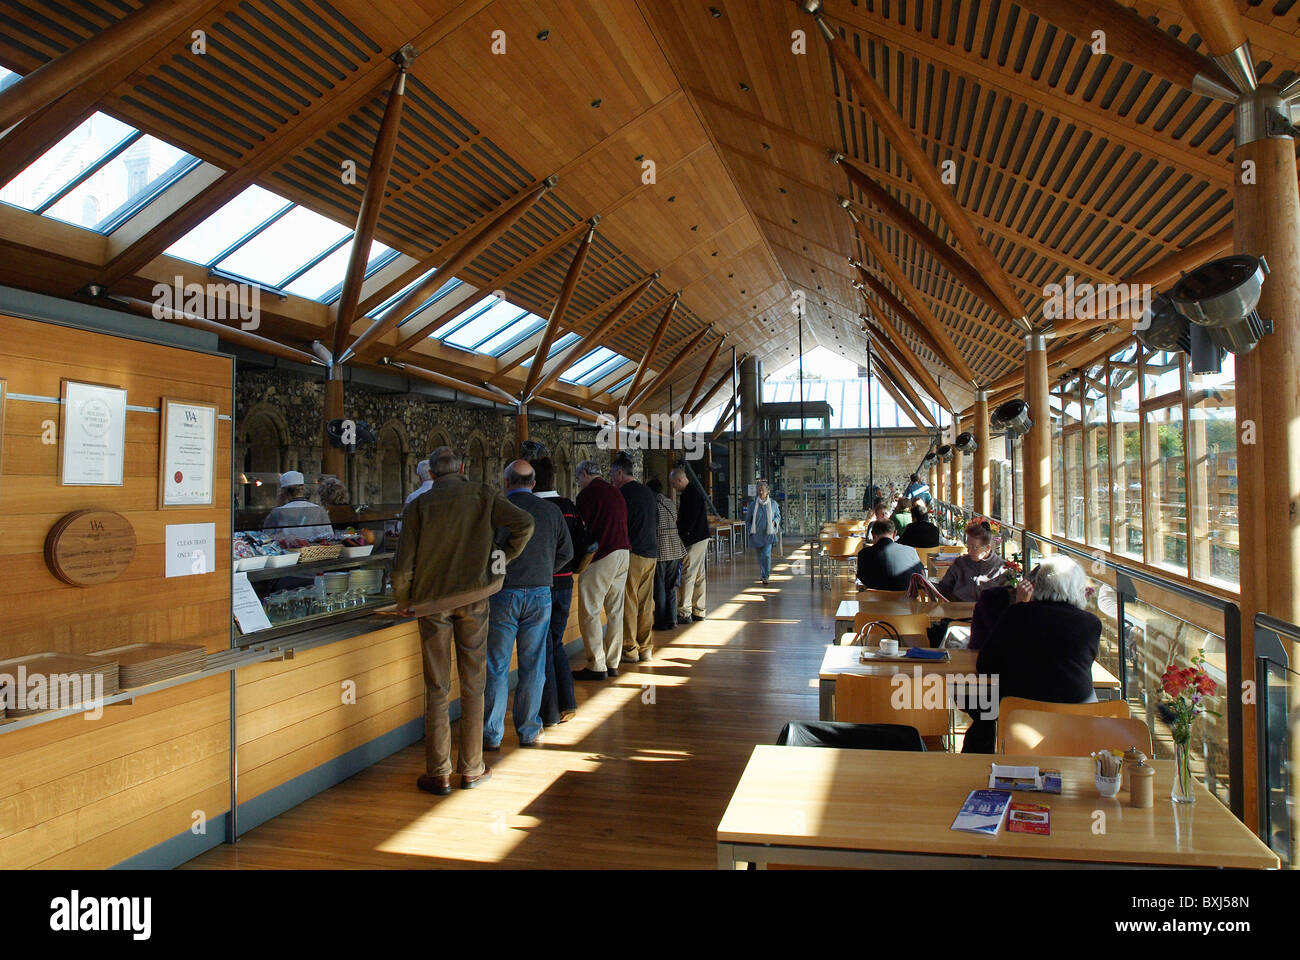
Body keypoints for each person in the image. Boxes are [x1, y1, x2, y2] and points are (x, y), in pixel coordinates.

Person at [392, 446, 534, 795]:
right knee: (474, 683)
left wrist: (403, 599)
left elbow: (403, 563)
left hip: (431, 604)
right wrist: (499, 559)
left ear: (431, 474)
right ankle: (472, 768)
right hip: (474, 598)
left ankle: (438, 773)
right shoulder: (484, 494)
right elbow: (524, 523)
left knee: (437, 687)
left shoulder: (418, 507)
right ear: (464, 467)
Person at [964, 556, 1102, 754]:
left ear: (1037, 585)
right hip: (1075, 718)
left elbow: (985, 666)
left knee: (983, 712)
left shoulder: (1015, 615)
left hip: (1018, 716)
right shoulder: (1091, 624)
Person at [483, 461, 572, 751]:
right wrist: (545, 571)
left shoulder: (496, 512)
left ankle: (491, 735)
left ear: (506, 481)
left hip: (502, 594)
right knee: (533, 665)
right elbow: (567, 552)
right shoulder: (552, 511)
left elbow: (484, 553)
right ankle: (529, 731)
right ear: (533, 483)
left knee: (496, 665)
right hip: (540, 594)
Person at [530, 457, 585, 726]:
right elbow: (577, 545)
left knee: (544, 647)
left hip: (542, 585)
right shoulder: (568, 507)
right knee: (556, 644)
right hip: (565, 583)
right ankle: (567, 703)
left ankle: (550, 711)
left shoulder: (534, 508)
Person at [573, 460, 630, 680]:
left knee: (590, 610)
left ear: (585, 473)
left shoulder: (588, 494)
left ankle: (596, 665)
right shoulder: (615, 491)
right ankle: (613, 662)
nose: (579, 483)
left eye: (579, 479)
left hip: (603, 554)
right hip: (623, 552)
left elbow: (580, 528)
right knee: (615, 610)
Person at [610, 454, 658, 664]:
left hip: (634, 553)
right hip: (651, 553)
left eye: (612, 474)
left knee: (629, 601)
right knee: (646, 602)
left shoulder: (622, 495)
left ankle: (630, 649)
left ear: (620, 473)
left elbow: (620, 525)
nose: (612, 479)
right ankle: (646, 647)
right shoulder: (647, 492)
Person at [671, 466, 710, 622]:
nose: (673, 487)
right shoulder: (694, 491)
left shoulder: (689, 494)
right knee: (699, 575)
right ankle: (699, 610)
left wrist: (682, 534)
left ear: (680, 480)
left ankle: (684, 611)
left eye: (674, 484)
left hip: (694, 539)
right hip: (701, 537)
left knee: (688, 574)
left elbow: (689, 520)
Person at [646, 477, 685, 630]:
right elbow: (675, 519)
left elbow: (652, 524)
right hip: (675, 546)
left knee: (659, 586)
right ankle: (673, 619)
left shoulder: (651, 504)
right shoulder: (669, 502)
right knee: (670, 586)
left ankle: (661, 622)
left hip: (660, 546)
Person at [936, 521, 1006, 601]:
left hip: (989, 612)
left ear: (987, 548)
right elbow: (943, 588)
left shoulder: (1001, 567)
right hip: (960, 610)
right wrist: (926, 585)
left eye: (974, 547)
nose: (969, 551)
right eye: (968, 546)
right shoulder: (960, 563)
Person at [263, 471, 335, 542]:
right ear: (303, 488)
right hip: (315, 551)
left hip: (289, 553)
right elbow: (330, 536)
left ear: (283, 492)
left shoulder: (278, 511)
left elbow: (266, 536)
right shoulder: (319, 509)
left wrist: (278, 504)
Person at [855, 519, 924, 590]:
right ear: (894, 534)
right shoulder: (910, 550)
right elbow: (921, 574)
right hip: (907, 598)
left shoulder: (864, 554)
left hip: (876, 598)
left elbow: (862, 578)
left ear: (872, 535)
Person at [744, 480, 781, 584]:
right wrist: (750, 529)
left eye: (763, 490)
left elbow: (778, 516)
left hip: (768, 535)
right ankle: (763, 572)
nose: (761, 492)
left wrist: (775, 522)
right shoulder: (752, 505)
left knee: (766, 555)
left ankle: (766, 576)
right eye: (759, 490)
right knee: (760, 557)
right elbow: (747, 520)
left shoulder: (773, 504)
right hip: (756, 535)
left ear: (767, 491)